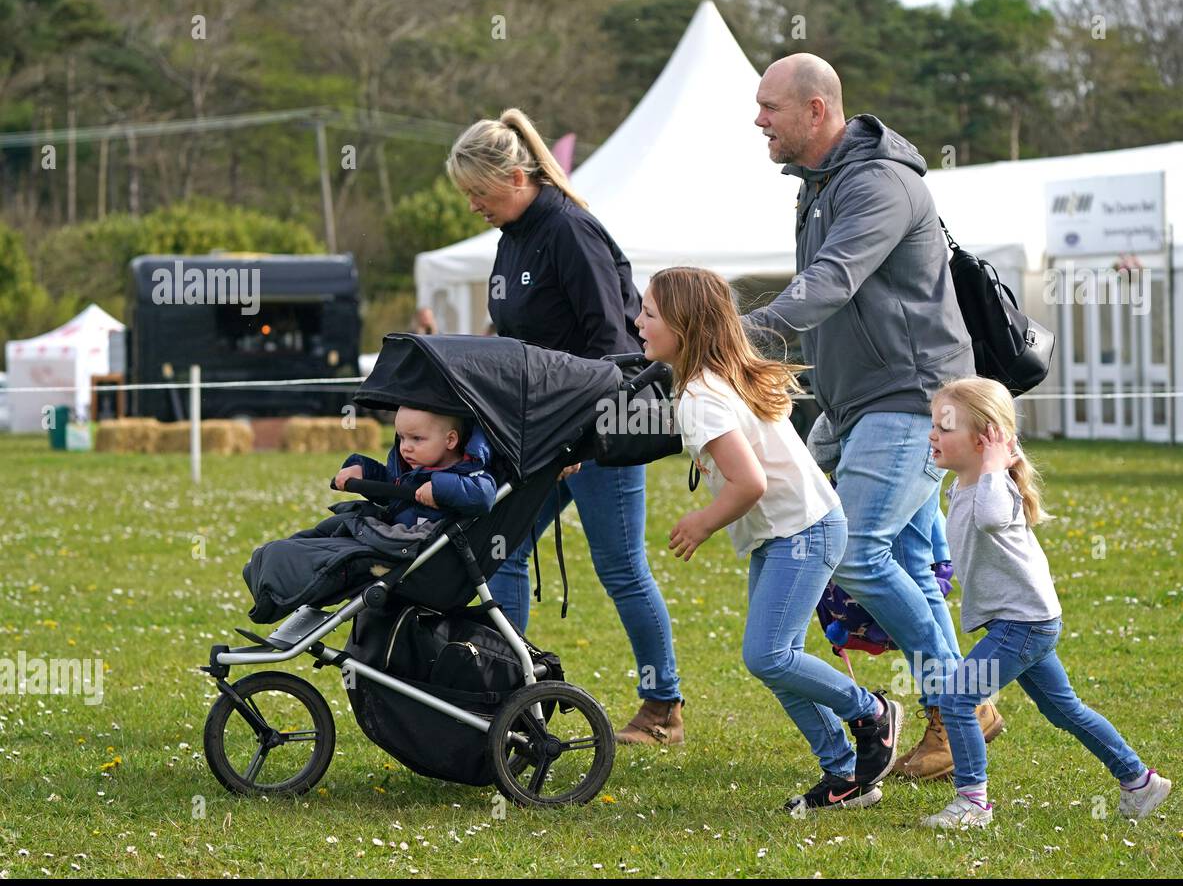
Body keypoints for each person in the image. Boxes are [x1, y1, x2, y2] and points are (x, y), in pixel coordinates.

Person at [743, 52, 1003, 779]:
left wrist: (737, 335)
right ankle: (962, 716)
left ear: (816, 111)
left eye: (770, 107)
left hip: (914, 402)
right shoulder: (819, 184)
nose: (757, 120)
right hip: (856, 405)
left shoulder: (878, 183)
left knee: (858, 555)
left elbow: (829, 281)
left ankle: (958, 706)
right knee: (913, 567)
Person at [446, 108, 681, 745]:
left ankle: (663, 707)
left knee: (622, 566)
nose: (474, 205)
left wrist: (579, 433)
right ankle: (513, 694)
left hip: (597, 430)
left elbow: (611, 344)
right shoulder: (512, 234)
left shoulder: (572, 231)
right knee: (503, 554)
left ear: (518, 177)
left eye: (480, 192)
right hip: (537, 431)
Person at [638, 266, 903, 811]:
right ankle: (846, 773)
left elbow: (749, 483)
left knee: (769, 655)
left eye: (649, 314)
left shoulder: (701, 395)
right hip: (789, 532)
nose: (637, 321)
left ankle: (872, 714)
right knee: (776, 660)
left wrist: (703, 522)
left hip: (802, 531)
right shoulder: (713, 377)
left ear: (683, 326)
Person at [923, 377, 1172, 827]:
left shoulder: (996, 490)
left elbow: (992, 517)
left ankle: (973, 805)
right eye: (933, 425)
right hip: (1024, 621)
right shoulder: (961, 485)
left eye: (944, 426)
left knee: (957, 698)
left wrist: (996, 465)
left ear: (983, 440)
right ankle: (1139, 780)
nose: (932, 435)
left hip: (1022, 624)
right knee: (1064, 709)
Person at [334, 407, 494, 528]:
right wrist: (361, 470)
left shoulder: (470, 472)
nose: (405, 447)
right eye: (401, 438)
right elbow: (390, 487)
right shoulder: (407, 472)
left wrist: (439, 488)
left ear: (450, 440)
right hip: (397, 542)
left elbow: (484, 495)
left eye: (416, 438)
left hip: (432, 557)